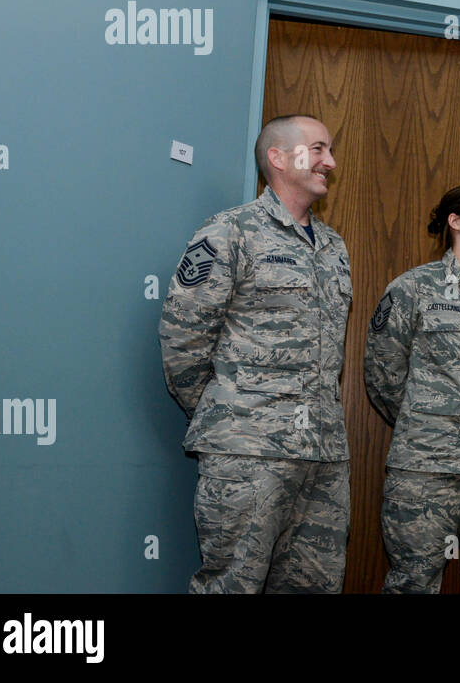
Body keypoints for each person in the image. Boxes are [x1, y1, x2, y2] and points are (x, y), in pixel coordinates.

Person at [159, 114, 353, 593]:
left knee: (315, 585)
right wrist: (230, 411)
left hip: (323, 452)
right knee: (233, 585)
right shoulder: (230, 232)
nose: (330, 161)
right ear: (278, 158)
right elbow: (183, 336)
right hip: (248, 449)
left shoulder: (333, 247)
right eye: (319, 149)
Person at [363, 183, 460, 593]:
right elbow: (383, 372)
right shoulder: (413, 288)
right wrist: (427, 423)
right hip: (426, 471)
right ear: (455, 221)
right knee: (414, 583)